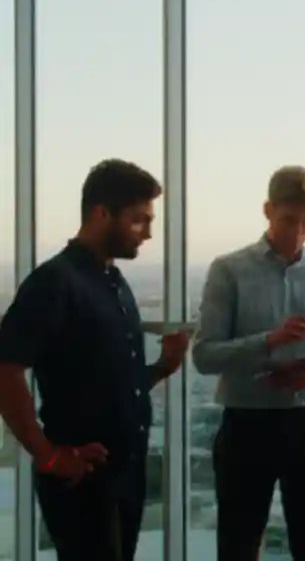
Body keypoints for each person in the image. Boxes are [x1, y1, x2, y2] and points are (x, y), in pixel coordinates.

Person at [0, 159, 188, 561]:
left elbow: (107, 382)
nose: (149, 233)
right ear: (102, 213)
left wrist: (160, 369)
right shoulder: (55, 281)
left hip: (123, 476)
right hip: (81, 479)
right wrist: (47, 455)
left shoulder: (113, 283)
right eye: (139, 220)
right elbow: (5, 368)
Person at [191, 166, 305, 561]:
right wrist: (271, 340)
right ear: (267, 211)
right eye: (288, 220)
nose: (296, 233)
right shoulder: (228, 270)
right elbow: (204, 355)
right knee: (239, 544)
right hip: (247, 425)